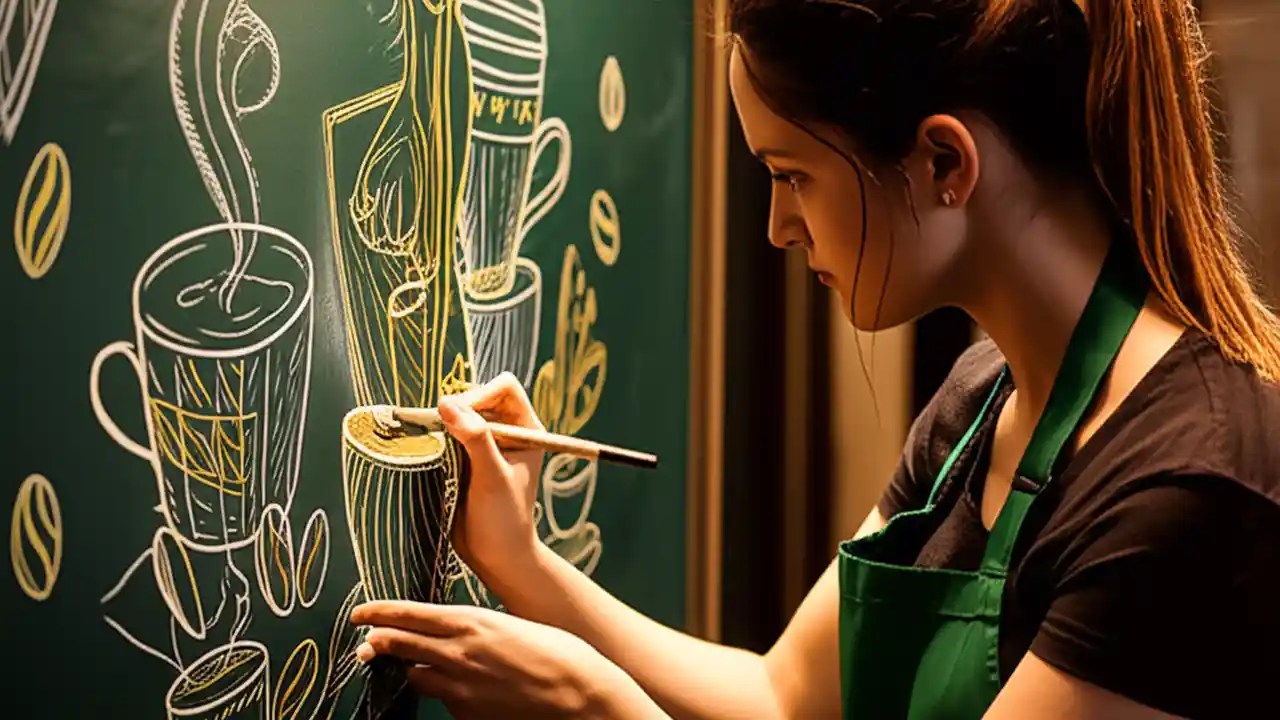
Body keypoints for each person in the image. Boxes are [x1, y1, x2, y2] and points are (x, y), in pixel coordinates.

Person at [348, 0, 1280, 717]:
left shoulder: (1187, 486)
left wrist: (598, 705)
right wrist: (521, 562)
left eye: (793, 176)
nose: (778, 227)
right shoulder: (980, 403)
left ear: (944, 164)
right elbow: (785, 697)